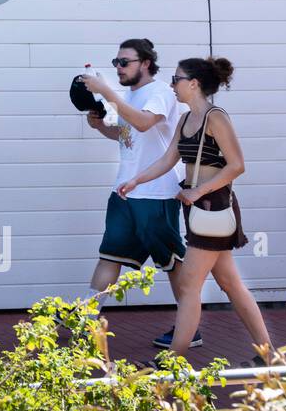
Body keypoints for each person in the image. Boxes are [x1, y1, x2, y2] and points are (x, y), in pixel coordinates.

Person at [117, 57, 271, 366]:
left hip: (214, 207)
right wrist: (136, 179)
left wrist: (197, 191)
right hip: (198, 210)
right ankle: (270, 356)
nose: (172, 85)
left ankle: (173, 360)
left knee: (188, 285)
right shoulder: (186, 119)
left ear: (194, 83)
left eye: (176, 79)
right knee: (231, 284)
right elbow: (167, 159)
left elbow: (237, 165)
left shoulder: (216, 118)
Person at [78, 38, 197, 349]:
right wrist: (101, 126)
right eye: (116, 61)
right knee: (110, 254)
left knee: (172, 261)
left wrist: (106, 92)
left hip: (156, 192)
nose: (118, 67)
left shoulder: (159, 92)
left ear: (145, 63)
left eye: (124, 62)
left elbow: (144, 123)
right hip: (125, 190)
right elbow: (127, 134)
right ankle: (86, 318)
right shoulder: (130, 95)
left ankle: (190, 327)